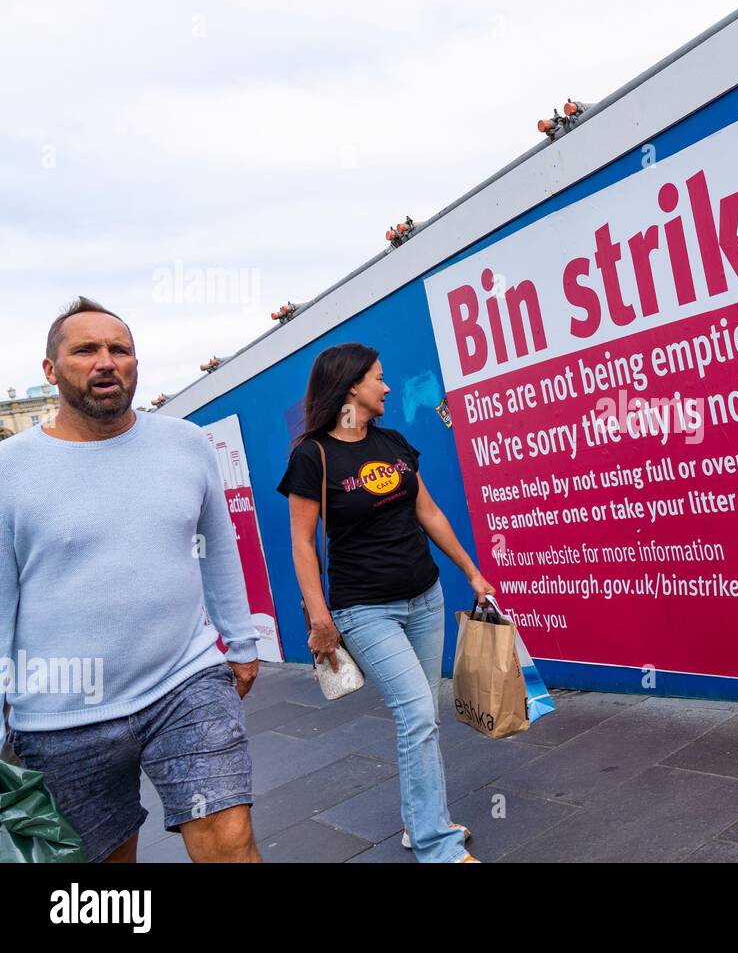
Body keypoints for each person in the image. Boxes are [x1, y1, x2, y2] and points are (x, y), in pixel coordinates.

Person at [0, 297, 262, 862]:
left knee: (230, 840)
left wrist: (241, 644)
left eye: (119, 349)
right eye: (85, 350)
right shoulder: (9, 469)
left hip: (183, 682)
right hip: (60, 715)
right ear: (50, 370)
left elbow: (218, 548)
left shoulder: (186, 444)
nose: (106, 361)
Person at [277, 343, 493, 863]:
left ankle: (422, 823)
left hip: (425, 596)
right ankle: (435, 845)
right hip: (366, 609)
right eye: (379, 377)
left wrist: (472, 571)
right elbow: (303, 544)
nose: (388, 387)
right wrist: (321, 618)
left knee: (426, 716)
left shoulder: (392, 442)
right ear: (352, 386)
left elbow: (431, 512)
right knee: (416, 712)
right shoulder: (313, 455)